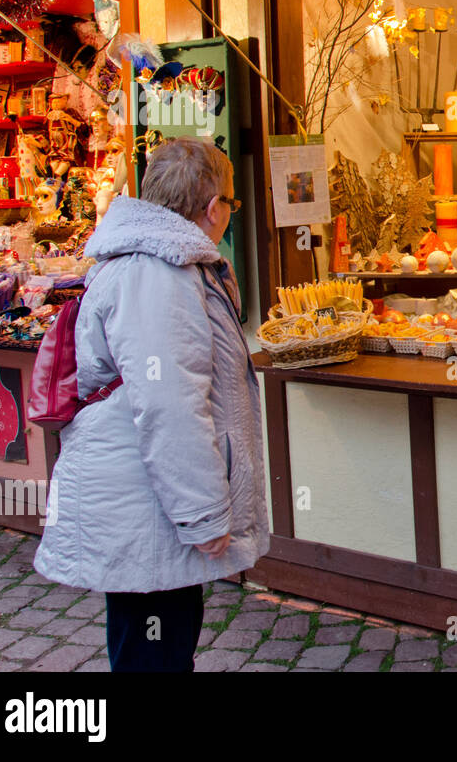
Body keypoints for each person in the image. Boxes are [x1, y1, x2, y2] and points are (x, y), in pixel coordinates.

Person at [34, 137, 268, 672]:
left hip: (150, 502)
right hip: (146, 506)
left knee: (161, 640)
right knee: (153, 651)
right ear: (213, 208)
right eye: (230, 202)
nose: (229, 214)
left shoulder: (163, 264)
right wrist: (205, 514)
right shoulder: (158, 274)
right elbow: (171, 407)